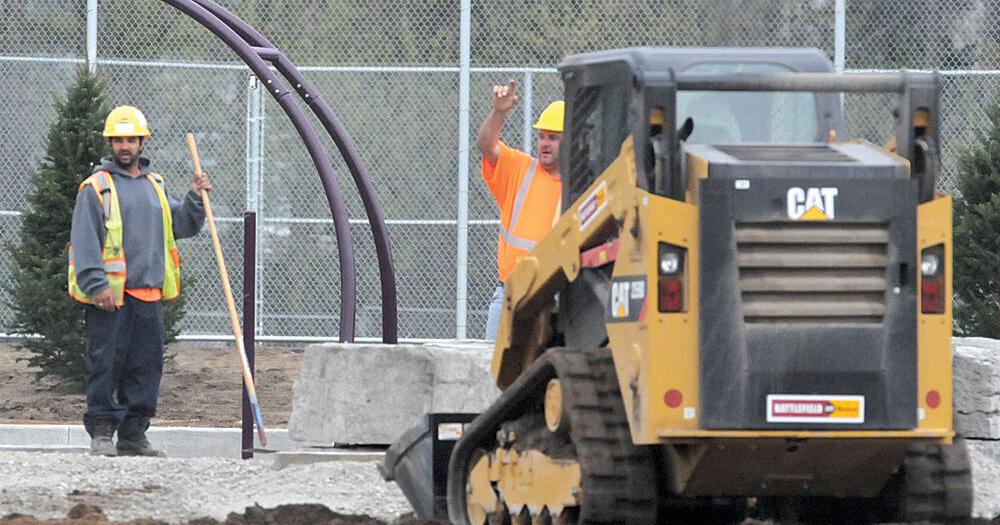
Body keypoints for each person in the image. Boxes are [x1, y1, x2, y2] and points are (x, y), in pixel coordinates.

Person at [68, 105, 211, 457]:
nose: (125, 146)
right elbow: (84, 241)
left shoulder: (155, 186)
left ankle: (134, 435)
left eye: (131, 139)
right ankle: (102, 432)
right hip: (111, 299)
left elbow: (182, 225)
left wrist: (196, 198)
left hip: (148, 296)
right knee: (105, 365)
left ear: (142, 143)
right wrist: (96, 284)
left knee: (146, 369)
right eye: (118, 140)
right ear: (110, 144)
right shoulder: (96, 188)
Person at [477, 79, 563, 341]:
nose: (545, 144)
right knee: (491, 374)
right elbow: (486, 146)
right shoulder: (520, 169)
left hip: (554, 298)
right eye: (542, 137)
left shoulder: (582, 186)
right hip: (509, 295)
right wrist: (499, 112)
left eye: (553, 138)